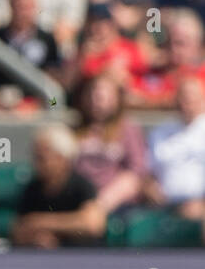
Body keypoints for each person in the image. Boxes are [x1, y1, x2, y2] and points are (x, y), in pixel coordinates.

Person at [11, 123, 106, 248]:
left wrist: (42, 223)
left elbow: (93, 224)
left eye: (42, 158)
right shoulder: (32, 189)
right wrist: (36, 239)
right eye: (35, 157)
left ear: (62, 158)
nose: (37, 163)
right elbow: (18, 230)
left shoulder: (82, 186)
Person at [72, 72, 147, 216]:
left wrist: (100, 205)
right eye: (92, 94)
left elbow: (136, 173)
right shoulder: (76, 129)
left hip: (115, 204)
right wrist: (52, 102)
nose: (96, 100)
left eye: (101, 96)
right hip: (79, 199)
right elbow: (53, 100)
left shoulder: (127, 129)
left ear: (116, 99)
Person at [144, 74, 205, 224]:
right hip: (162, 207)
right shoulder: (159, 133)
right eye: (184, 97)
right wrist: (148, 187)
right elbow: (146, 172)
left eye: (193, 97)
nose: (188, 102)